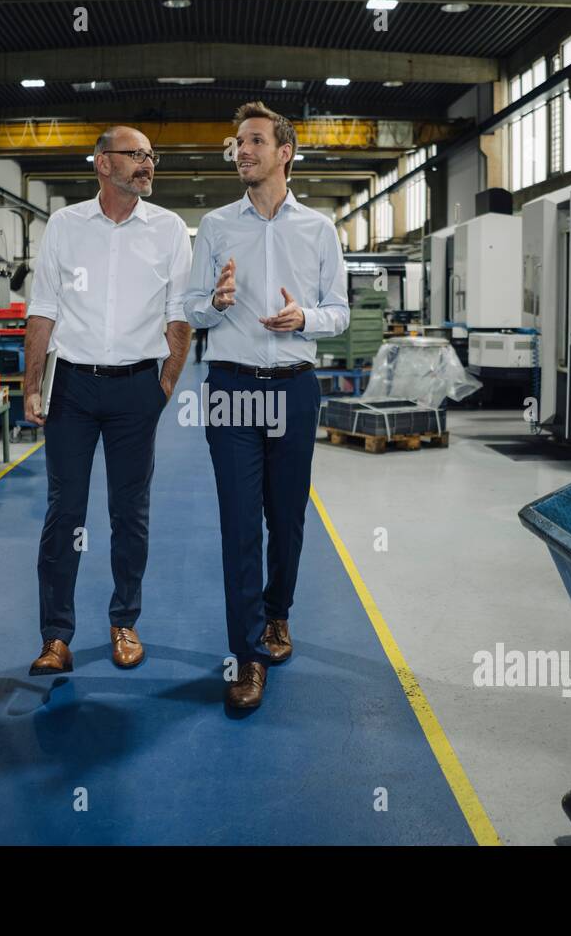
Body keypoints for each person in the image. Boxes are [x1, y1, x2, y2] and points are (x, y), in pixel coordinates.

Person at [182, 101, 349, 710]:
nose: (241, 151)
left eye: (254, 141)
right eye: (236, 143)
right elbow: (190, 306)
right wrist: (217, 302)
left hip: (295, 386)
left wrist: (305, 315)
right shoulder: (216, 225)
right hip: (231, 387)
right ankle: (247, 657)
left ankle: (278, 613)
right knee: (238, 523)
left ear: (285, 153)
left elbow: (341, 311)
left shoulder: (320, 228)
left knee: (288, 517)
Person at [23, 125, 192, 675]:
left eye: (150, 155)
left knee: (130, 512)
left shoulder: (168, 230)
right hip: (71, 387)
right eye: (135, 155)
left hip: (136, 387)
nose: (147, 164)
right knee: (64, 510)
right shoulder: (66, 226)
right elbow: (42, 311)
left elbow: (179, 315)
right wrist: (31, 384)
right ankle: (56, 636)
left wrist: (162, 385)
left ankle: (124, 621)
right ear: (102, 163)